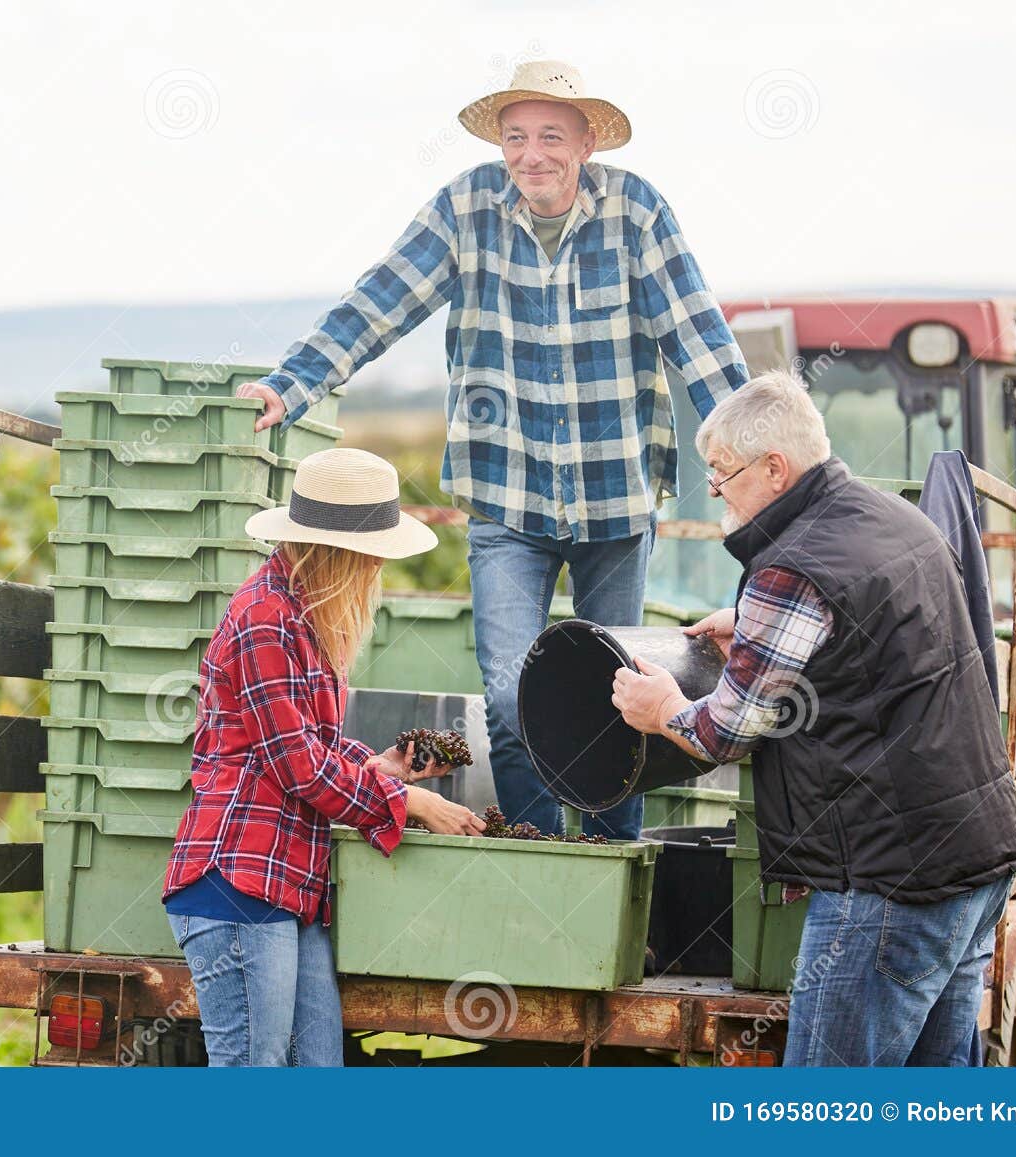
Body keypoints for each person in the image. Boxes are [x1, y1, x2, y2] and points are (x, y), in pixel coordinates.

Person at [238, 59, 747, 839]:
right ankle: (531, 861)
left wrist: (747, 449)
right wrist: (294, 382)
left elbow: (698, 339)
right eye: (516, 137)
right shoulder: (465, 208)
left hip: (615, 502)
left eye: (550, 135)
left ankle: (614, 880)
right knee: (514, 702)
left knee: (627, 700)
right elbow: (382, 299)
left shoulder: (638, 213)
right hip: (506, 502)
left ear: (585, 143)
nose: (530, 154)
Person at [610, 370, 1016, 1066]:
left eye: (722, 475)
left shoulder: (790, 568)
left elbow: (723, 731)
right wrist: (752, 626)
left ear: (775, 468)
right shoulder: (895, 519)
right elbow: (871, 649)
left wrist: (663, 711)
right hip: (977, 863)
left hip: (891, 884)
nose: (715, 493)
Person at [162, 447, 486, 1066]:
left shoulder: (302, 617)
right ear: (340, 552)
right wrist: (409, 801)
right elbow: (298, 766)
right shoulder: (267, 618)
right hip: (239, 880)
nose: (376, 570)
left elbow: (312, 744)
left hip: (290, 884)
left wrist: (383, 767)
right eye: (373, 556)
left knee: (316, 1071)